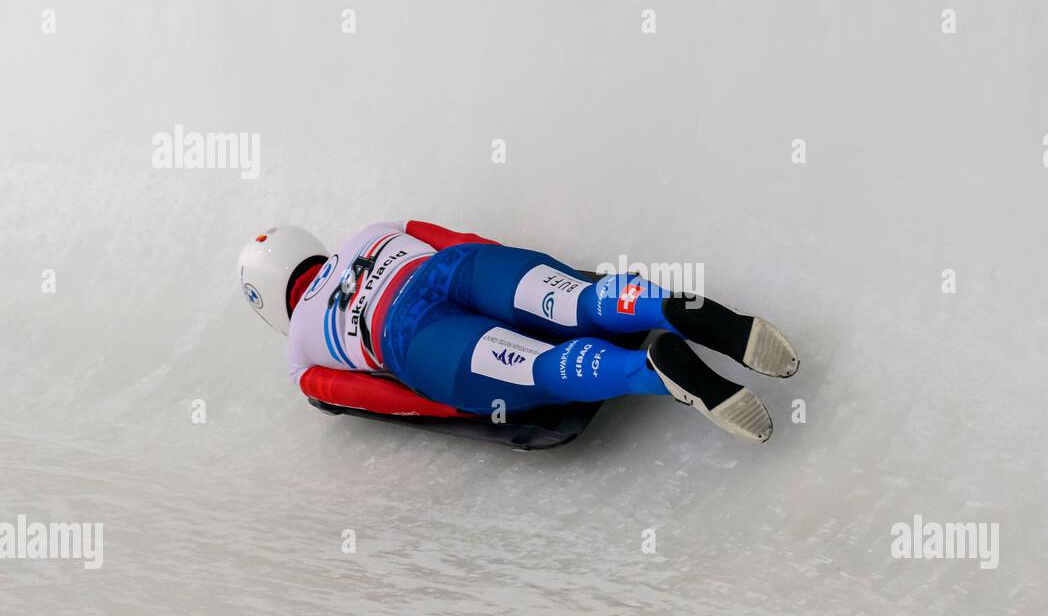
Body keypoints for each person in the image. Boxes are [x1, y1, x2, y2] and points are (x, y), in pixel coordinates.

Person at [237, 221, 799, 442]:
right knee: (576, 301)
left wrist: (458, 410)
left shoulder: (298, 355)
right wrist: (523, 284)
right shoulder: (373, 229)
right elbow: (459, 239)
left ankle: (645, 369)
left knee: (535, 371)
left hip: (412, 340)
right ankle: (665, 308)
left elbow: (378, 398)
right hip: (449, 269)